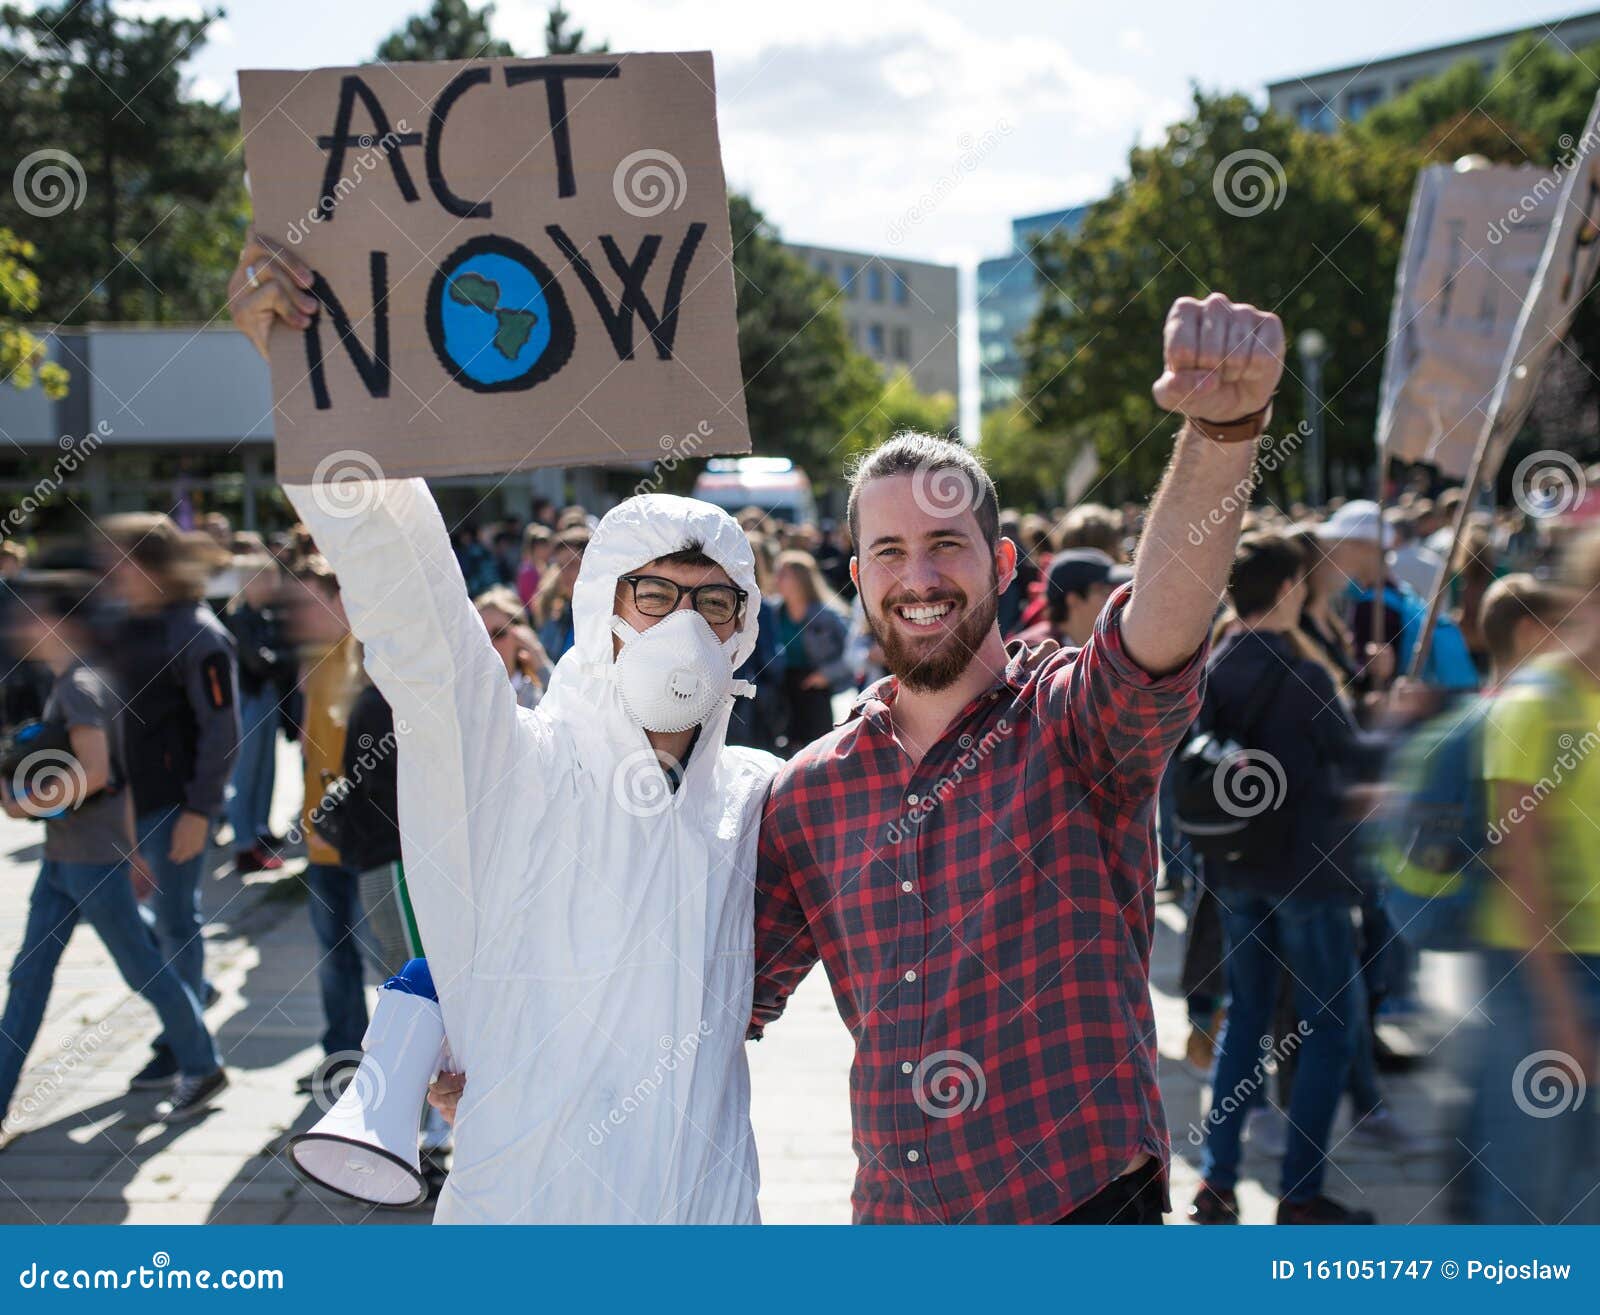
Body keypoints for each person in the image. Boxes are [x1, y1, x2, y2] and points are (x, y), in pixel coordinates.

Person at [229, 227, 783, 1223]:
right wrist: (313, 380)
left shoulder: (754, 796)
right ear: (600, 606)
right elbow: (414, 609)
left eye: (713, 602)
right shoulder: (515, 764)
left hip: (705, 1218)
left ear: (745, 626)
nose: (684, 628)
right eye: (654, 594)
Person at [750, 292, 1286, 1223]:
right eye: (891, 551)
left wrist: (1223, 429)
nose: (918, 577)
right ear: (859, 575)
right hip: (899, 1221)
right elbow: (708, 992)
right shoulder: (810, 793)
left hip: (1079, 1209)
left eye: (945, 546)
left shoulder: (1071, 725)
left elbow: (1155, 632)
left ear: (1002, 565)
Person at [1186, 533, 1386, 1224]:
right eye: (1302, 583)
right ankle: (1300, 1192)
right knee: (1326, 1024)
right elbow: (1356, 762)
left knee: (1246, 1014)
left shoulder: (1214, 664)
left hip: (1237, 867)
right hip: (1309, 871)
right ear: (1289, 590)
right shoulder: (1306, 674)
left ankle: (1217, 1181)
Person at [0, 559, 226, 1142]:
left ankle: (201, 1066)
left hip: (87, 861)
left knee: (144, 970)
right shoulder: (78, 680)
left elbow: (97, 772)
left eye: (30, 619)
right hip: (68, 857)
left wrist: (26, 802)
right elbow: (122, 774)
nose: (19, 628)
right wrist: (134, 850)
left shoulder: (78, 685)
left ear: (60, 624)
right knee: (30, 976)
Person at [1470, 535, 1600, 1222]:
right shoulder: (1536, 704)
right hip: (1543, 971)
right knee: (1533, 1200)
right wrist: (1560, 1015)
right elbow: (1520, 871)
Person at [99, 513, 240, 1089]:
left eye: (119, 562)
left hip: (179, 807)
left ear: (151, 566)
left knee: (175, 922)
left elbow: (223, 730)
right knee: (145, 920)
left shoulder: (199, 632)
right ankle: (191, 999)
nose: (108, 574)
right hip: (135, 805)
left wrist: (201, 810)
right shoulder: (132, 626)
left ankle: (182, 1045)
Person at [286, 555, 375, 1099]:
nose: (304, 614)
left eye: (313, 602)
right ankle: (340, 1058)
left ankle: (395, 1067)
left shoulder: (371, 658)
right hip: (322, 840)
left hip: (364, 841)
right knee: (334, 955)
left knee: (383, 957)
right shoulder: (314, 662)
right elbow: (308, 746)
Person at [221, 552, 292, 872]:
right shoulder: (238, 619)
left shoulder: (264, 615)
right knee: (246, 774)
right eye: (262, 578)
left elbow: (274, 657)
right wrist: (283, 659)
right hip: (248, 699)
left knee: (266, 770)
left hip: (266, 697)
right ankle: (244, 844)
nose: (270, 585)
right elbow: (258, 661)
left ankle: (259, 830)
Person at [772, 549, 851, 751]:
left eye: (783, 574)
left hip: (815, 689)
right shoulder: (773, 612)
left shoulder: (827, 615)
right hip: (783, 688)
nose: (776, 579)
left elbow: (851, 654)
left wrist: (826, 675)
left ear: (800, 579)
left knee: (818, 747)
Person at [474, 586, 550, 710]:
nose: (490, 644)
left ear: (520, 636)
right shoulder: (469, 694)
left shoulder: (537, 693)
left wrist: (538, 656)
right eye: (483, 636)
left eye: (499, 633)